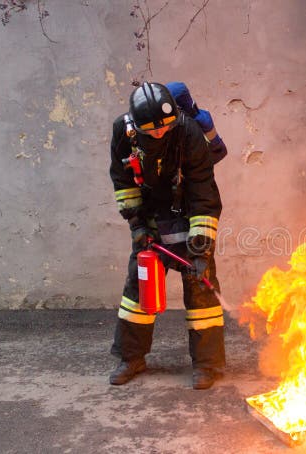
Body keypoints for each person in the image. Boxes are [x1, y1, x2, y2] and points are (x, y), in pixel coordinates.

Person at [108, 81, 227, 389]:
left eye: (165, 128)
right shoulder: (124, 132)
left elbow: (203, 188)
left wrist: (200, 249)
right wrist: (137, 226)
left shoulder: (188, 132)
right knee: (138, 292)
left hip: (188, 214)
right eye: (153, 130)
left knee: (201, 292)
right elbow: (123, 179)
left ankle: (207, 365)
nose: (160, 133)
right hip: (150, 221)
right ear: (136, 125)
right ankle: (131, 357)